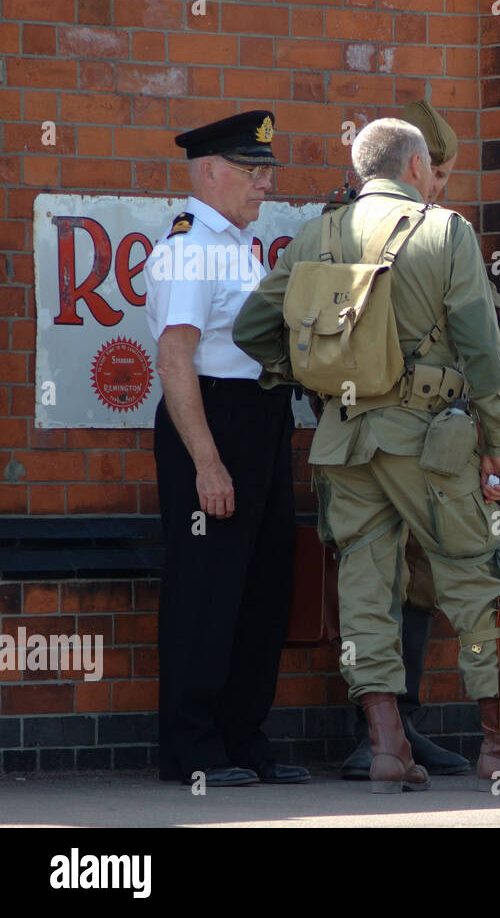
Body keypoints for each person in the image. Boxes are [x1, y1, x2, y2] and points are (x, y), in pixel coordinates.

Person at [234, 117, 500, 793]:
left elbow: (253, 328)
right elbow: (481, 348)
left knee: (366, 589)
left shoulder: (314, 235)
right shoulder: (445, 231)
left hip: (344, 443)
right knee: (478, 584)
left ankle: (388, 747)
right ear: (416, 166)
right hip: (428, 442)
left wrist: (308, 379)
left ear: (366, 171)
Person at [144, 110, 310, 787]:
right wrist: (208, 462)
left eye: (267, 169)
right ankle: (192, 748)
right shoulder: (189, 249)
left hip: (261, 419)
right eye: (252, 169)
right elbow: (176, 359)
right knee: (206, 591)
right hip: (211, 420)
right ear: (210, 172)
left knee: (263, 587)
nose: (265, 182)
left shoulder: (234, 243)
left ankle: (244, 738)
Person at [328, 102, 472, 781]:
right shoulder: (350, 229)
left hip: (429, 433)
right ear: (412, 166)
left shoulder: (441, 232)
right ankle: (374, 733)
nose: (439, 185)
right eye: (435, 171)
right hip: (378, 434)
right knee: (374, 578)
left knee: (413, 583)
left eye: (446, 175)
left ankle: (401, 727)